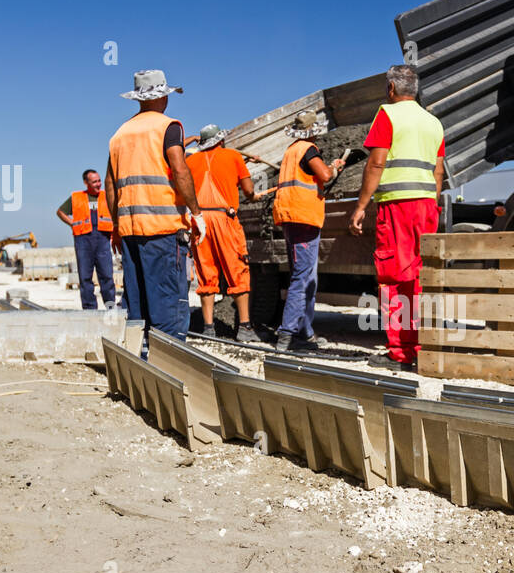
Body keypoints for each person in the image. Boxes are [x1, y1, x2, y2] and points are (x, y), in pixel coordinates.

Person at [347, 65, 445, 372]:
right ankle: (422, 346)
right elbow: (438, 172)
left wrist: (361, 206)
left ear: (391, 89)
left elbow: (376, 164)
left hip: (397, 206)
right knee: (420, 276)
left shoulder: (387, 116)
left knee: (394, 275)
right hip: (427, 206)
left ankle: (401, 352)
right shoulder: (434, 122)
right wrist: (431, 202)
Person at [104, 69, 203, 343]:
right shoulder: (168, 127)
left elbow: (110, 184)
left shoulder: (120, 134)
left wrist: (116, 225)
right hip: (163, 231)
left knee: (138, 307)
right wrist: (196, 213)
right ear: (163, 97)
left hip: (129, 232)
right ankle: (169, 372)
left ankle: (139, 369)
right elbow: (180, 169)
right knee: (169, 308)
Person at [273, 111, 345, 352]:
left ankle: (304, 331)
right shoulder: (308, 149)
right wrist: (334, 168)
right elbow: (323, 174)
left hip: (292, 217)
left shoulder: (291, 150)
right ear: (313, 130)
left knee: (306, 277)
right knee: (302, 277)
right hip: (304, 217)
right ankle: (287, 334)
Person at [184, 123, 262, 343]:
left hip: (199, 220)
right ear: (220, 140)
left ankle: (209, 329)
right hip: (224, 219)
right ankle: (245, 328)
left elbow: (209, 172)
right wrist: (253, 195)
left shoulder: (190, 161)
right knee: (237, 268)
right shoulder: (232, 156)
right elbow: (248, 191)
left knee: (206, 273)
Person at [55, 168, 116, 309]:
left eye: (99, 180)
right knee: (85, 278)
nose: (98, 184)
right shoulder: (77, 197)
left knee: (107, 277)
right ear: (86, 183)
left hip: (103, 239)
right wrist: (72, 224)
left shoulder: (107, 196)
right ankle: (89, 310)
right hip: (83, 241)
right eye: (94, 182)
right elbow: (60, 212)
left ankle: (111, 309)